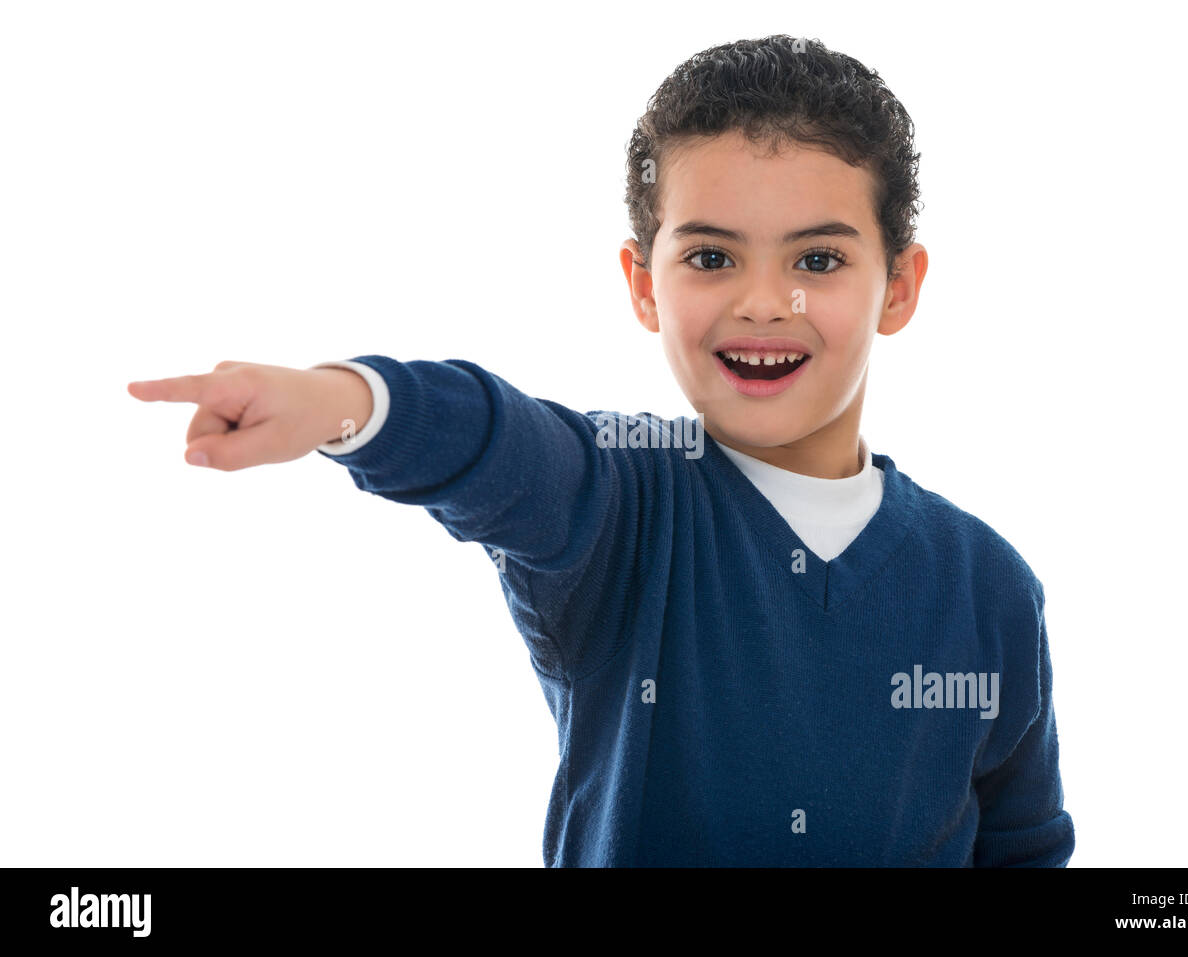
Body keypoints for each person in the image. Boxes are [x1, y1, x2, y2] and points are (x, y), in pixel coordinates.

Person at [128, 34, 1075, 866]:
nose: (761, 302)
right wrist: (346, 403)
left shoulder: (988, 585)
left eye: (816, 260)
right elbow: (503, 443)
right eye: (711, 257)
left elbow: (1023, 846)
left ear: (899, 285)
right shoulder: (617, 509)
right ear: (643, 284)